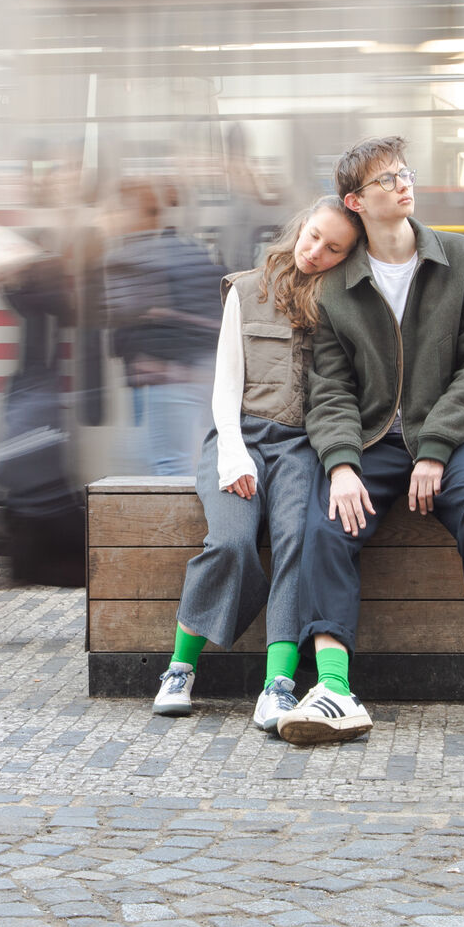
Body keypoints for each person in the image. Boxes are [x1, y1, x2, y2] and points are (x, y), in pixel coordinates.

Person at [284, 136, 464, 746]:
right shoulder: (336, 288)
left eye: (404, 174)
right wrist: (339, 464)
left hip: (451, 436)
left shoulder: (463, 260)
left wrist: (436, 448)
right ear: (356, 201)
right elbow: (330, 390)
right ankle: (334, 686)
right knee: (324, 524)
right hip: (370, 440)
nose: (402, 184)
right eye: (386, 180)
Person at [151, 196, 362, 731]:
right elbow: (224, 386)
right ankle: (179, 668)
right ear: (301, 225)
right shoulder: (246, 288)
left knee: (298, 540)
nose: (316, 252)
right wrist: (232, 453)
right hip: (237, 435)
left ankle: (278, 686)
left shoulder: (342, 303)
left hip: (300, 446)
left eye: (334, 248)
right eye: (313, 235)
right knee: (230, 541)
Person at [102, 180, 225, 477]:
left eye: (120, 211)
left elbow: (135, 316)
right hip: (190, 372)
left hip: (167, 374)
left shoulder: (136, 256)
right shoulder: (191, 251)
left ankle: (190, 524)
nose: (112, 218)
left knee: (169, 465)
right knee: (164, 457)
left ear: (144, 214)